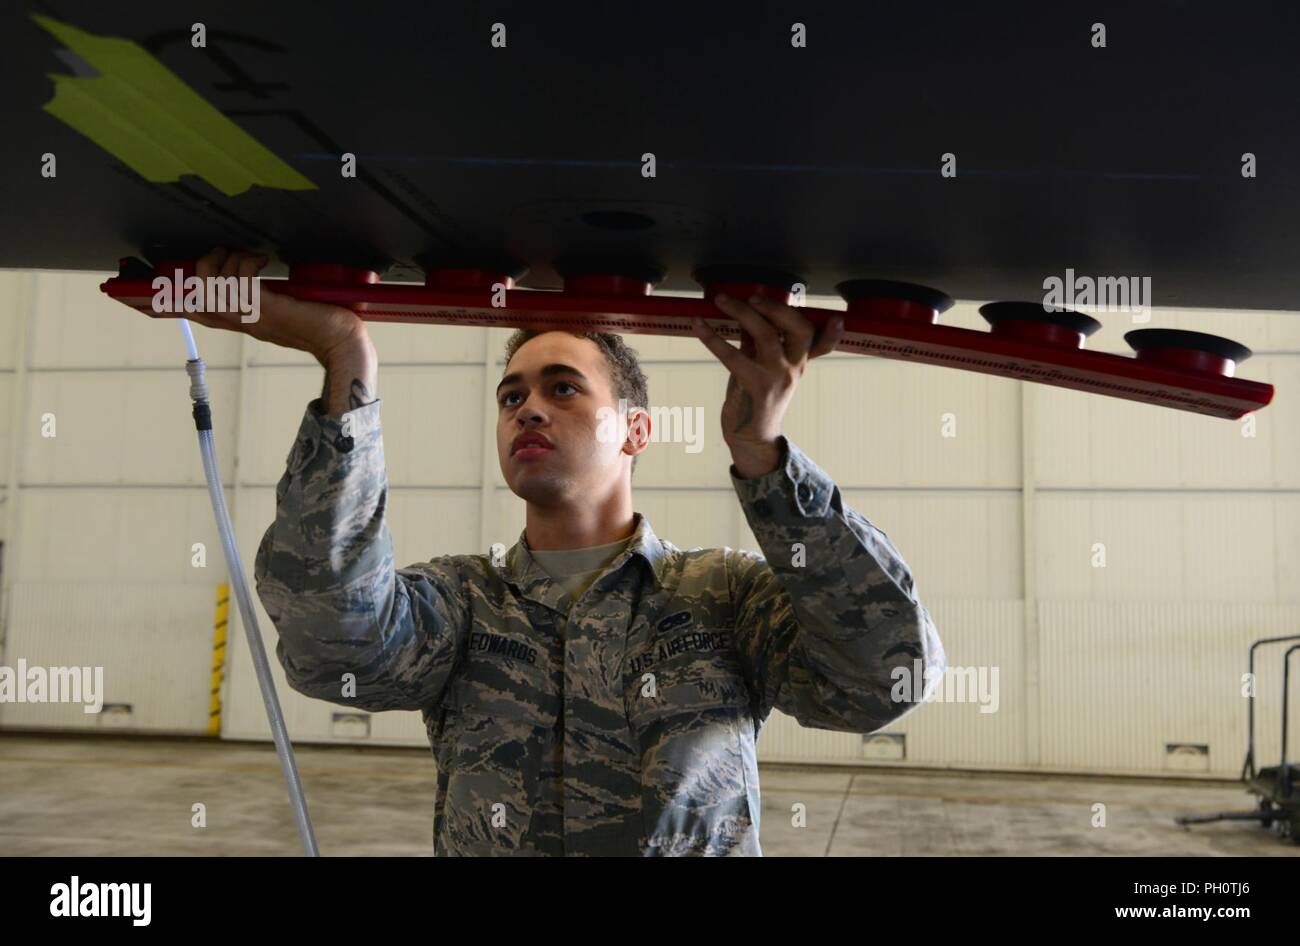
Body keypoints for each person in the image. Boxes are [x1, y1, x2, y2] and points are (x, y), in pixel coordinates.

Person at [185, 247, 946, 856]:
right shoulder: (460, 603)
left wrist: (765, 461)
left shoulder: (723, 595)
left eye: (563, 389)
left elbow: (883, 680)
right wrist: (345, 357)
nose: (530, 409)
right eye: (511, 396)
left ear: (637, 432)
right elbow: (330, 644)